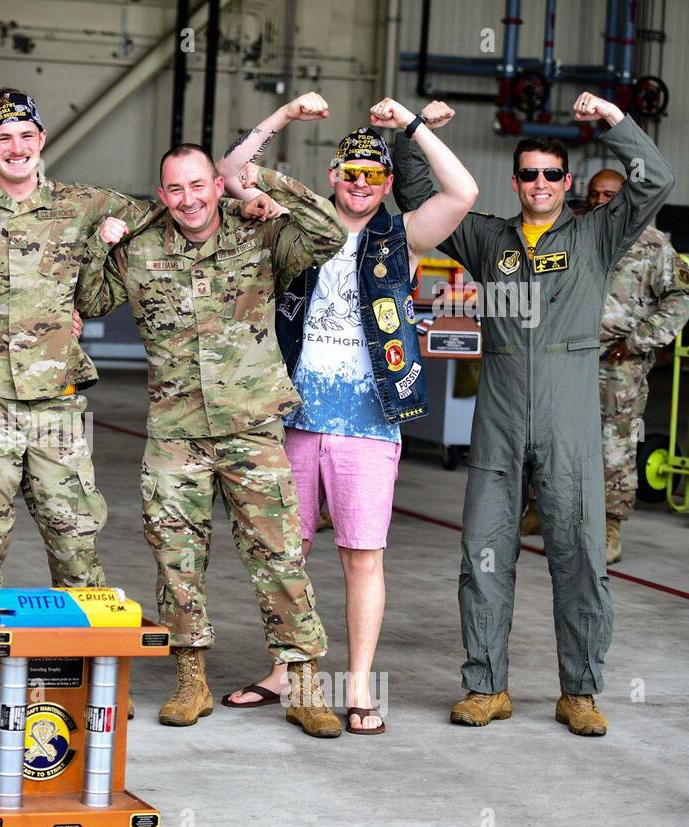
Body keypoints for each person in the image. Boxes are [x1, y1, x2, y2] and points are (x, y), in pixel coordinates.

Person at [392, 92, 674, 736]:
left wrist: (612, 121)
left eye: (552, 173)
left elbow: (656, 178)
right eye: (529, 173)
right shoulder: (488, 236)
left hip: (568, 412)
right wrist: (414, 132)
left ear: (566, 182)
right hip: (498, 412)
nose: (540, 183)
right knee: (483, 552)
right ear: (515, 180)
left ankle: (580, 692)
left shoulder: (597, 232)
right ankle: (486, 686)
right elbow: (416, 198)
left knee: (578, 555)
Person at [216, 96, 478, 734]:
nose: (360, 184)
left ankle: (357, 684)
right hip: (295, 418)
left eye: (373, 175)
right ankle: (287, 671)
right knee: (286, 551)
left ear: (387, 183)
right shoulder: (297, 224)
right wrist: (281, 117)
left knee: (363, 554)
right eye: (349, 172)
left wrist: (413, 127)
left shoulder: (403, 235)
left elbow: (463, 190)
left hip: (369, 420)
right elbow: (231, 173)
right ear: (333, 175)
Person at [76, 136, 348, 736]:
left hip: (251, 428)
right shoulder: (142, 248)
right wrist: (102, 245)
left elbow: (329, 234)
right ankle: (190, 680)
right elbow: (91, 300)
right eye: (175, 188)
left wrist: (267, 185)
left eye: (198, 184)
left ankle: (302, 684)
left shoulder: (261, 233)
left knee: (278, 558)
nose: (188, 198)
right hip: (176, 432)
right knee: (177, 560)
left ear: (218, 185)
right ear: (162, 194)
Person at [0, 89, 151, 617]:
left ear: (42, 139)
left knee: (74, 534)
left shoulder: (86, 204)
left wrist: (101, 265)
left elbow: (172, 217)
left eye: (26, 135)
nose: (17, 147)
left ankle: (86, 669)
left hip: (58, 402)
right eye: (3, 137)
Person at [587, 169, 689, 563]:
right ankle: (544, 512)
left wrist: (638, 341)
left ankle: (610, 526)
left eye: (608, 194)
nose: (599, 200)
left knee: (614, 444)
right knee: (558, 439)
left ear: (625, 197)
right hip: (570, 357)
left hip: (620, 362)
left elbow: (681, 298)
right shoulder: (579, 234)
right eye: (594, 193)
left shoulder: (652, 245)